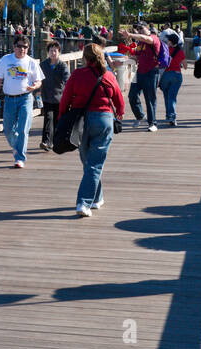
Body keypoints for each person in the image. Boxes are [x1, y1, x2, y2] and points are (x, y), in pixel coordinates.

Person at [60, 42, 125, 217]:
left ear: (85, 58)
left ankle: (83, 203)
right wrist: (119, 114)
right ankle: (97, 198)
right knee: (93, 164)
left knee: (89, 163)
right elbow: (119, 100)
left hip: (81, 121)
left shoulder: (77, 74)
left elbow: (65, 98)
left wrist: (62, 118)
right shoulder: (108, 75)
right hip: (103, 120)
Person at [0, 37, 43, 168]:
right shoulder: (5, 60)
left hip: (25, 98)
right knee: (8, 129)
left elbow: (39, 81)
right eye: (20, 46)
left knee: (23, 129)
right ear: (14, 46)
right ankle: (16, 145)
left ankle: (20, 158)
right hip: (9, 98)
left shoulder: (31, 62)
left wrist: (34, 87)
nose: (22, 49)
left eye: (25, 47)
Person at [120, 23, 162, 132]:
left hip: (151, 72)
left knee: (150, 99)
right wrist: (123, 62)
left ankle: (152, 123)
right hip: (139, 72)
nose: (139, 31)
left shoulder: (154, 38)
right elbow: (136, 57)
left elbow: (144, 37)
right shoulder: (140, 43)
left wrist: (130, 34)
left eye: (141, 28)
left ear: (147, 28)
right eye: (138, 29)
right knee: (132, 96)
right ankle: (140, 116)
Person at [39, 41, 71, 149]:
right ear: (48, 52)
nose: (53, 53)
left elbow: (67, 80)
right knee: (48, 118)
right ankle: (46, 142)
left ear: (59, 52)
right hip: (47, 97)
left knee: (57, 121)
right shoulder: (43, 65)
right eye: (51, 51)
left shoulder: (62, 66)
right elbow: (38, 78)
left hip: (59, 98)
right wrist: (37, 92)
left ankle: (56, 142)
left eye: (55, 51)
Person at [158, 29, 185, 127]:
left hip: (166, 75)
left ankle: (168, 115)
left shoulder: (165, 49)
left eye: (168, 40)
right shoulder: (180, 51)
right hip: (177, 75)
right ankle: (172, 117)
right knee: (172, 97)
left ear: (170, 41)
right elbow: (185, 66)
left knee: (167, 95)